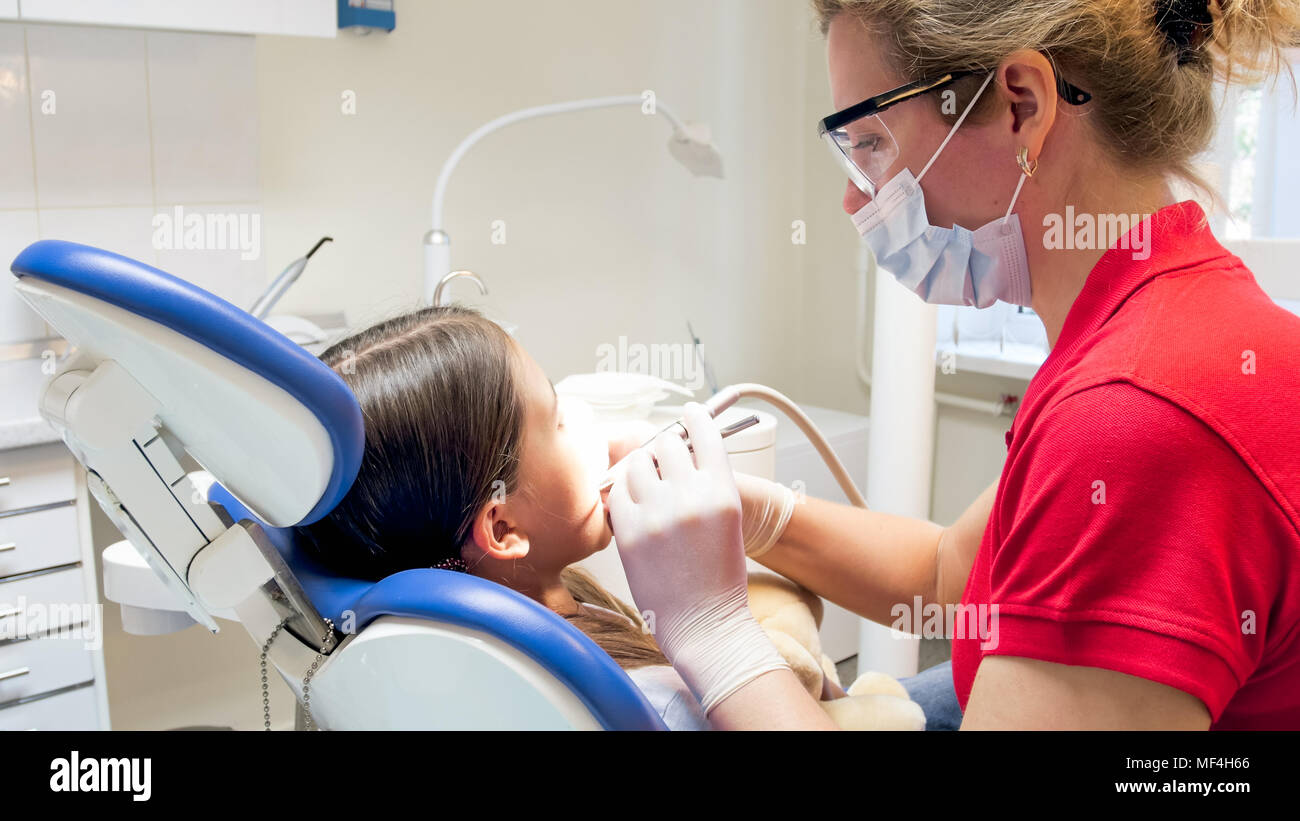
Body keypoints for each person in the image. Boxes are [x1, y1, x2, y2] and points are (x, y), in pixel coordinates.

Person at [605, 0, 1300, 730]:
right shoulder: (1155, 321)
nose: (853, 196)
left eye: (870, 142)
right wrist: (754, 513)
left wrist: (716, 635)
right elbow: (946, 574)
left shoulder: (1134, 413)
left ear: (1020, 107)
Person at [293, 305, 717, 729]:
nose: (586, 420)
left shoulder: (476, 648)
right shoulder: (660, 703)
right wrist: (718, 627)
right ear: (503, 529)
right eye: (558, 421)